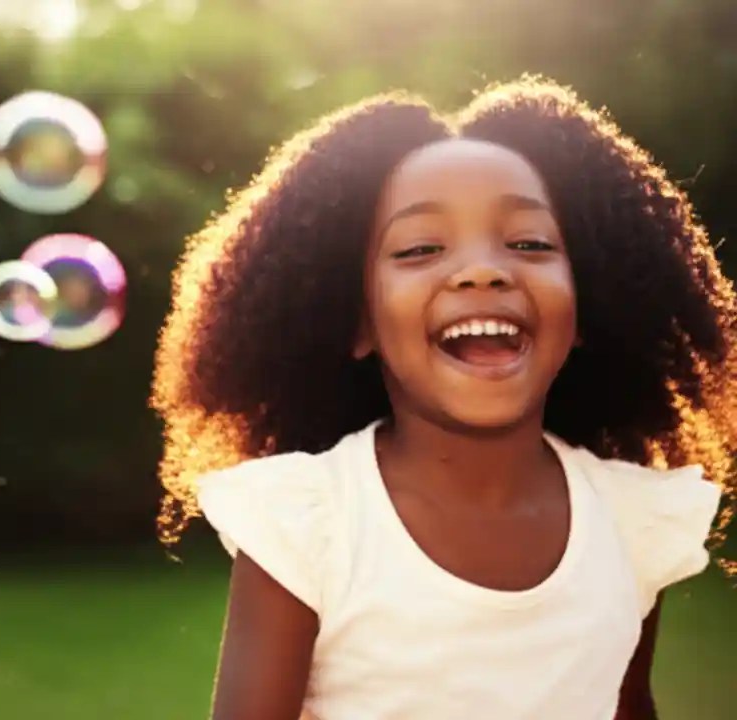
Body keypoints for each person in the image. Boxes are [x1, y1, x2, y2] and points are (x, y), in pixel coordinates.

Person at [150, 75, 733, 720]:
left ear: (589, 300)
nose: (482, 270)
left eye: (530, 243)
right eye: (420, 248)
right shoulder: (308, 523)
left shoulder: (630, 522)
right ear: (357, 321)